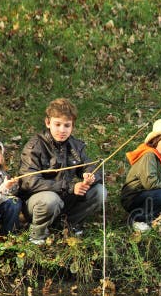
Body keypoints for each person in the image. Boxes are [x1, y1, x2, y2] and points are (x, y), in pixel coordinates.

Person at [18, 98, 107, 245]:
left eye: (67, 125)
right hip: (37, 204)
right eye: (57, 124)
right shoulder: (34, 146)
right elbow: (29, 182)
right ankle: (37, 233)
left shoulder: (76, 146)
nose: (62, 130)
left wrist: (90, 175)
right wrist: (70, 187)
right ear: (48, 123)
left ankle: (68, 225)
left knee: (99, 192)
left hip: (65, 199)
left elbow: (91, 166)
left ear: (73, 126)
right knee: (51, 199)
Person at [120, 119, 161, 232]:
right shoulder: (149, 156)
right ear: (155, 141)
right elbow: (150, 183)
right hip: (134, 196)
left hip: (149, 193)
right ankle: (138, 219)